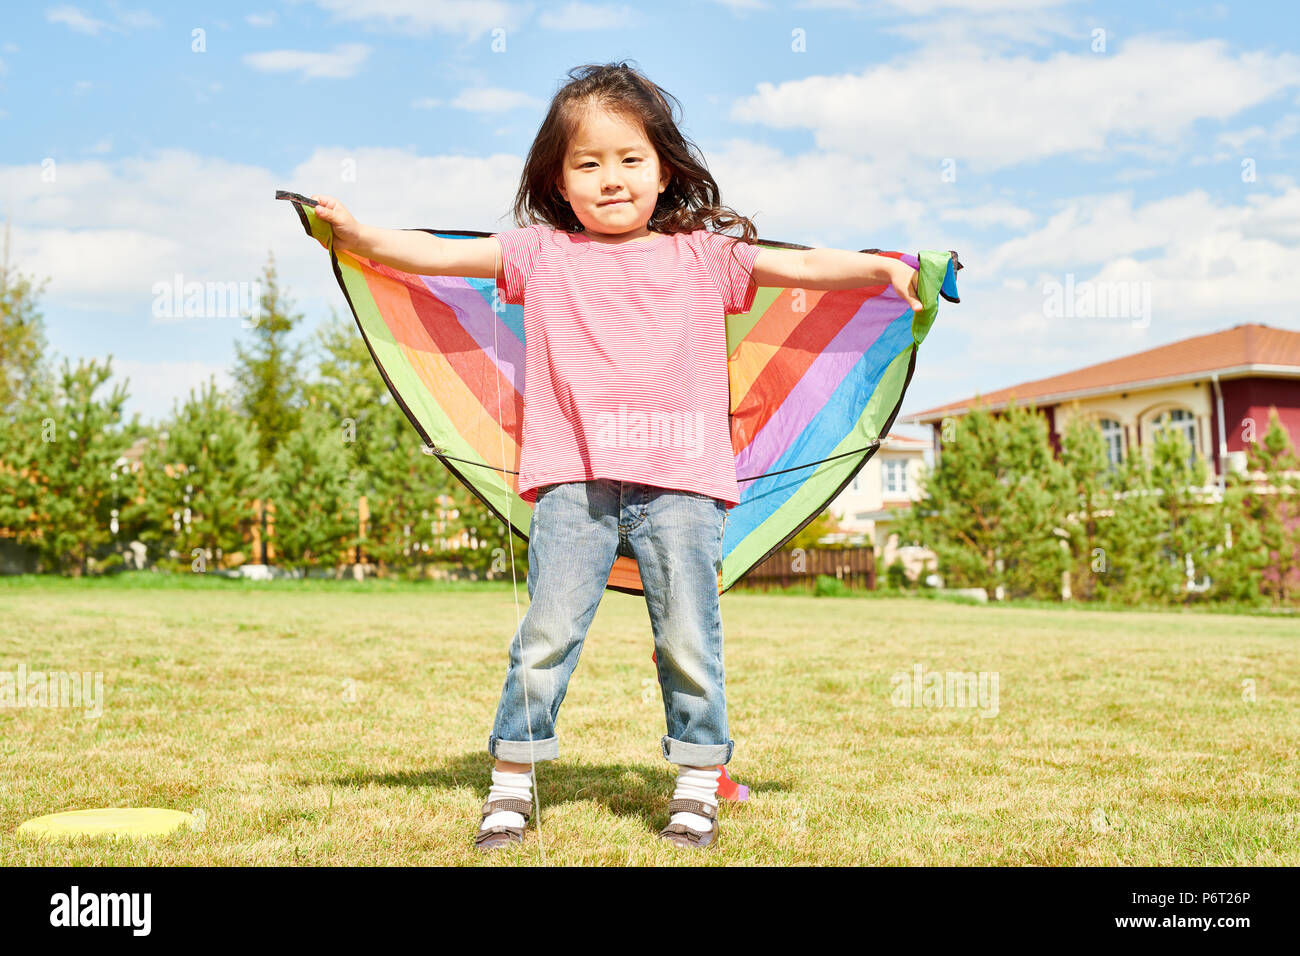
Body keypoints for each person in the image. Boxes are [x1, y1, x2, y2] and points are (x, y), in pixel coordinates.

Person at [309, 61, 922, 853]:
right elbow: (436, 256)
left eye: (630, 159)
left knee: (688, 639)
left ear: (664, 170)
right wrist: (360, 237)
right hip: (572, 482)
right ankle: (510, 785)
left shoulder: (705, 256)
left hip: (683, 487)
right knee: (546, 636)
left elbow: (803, 270)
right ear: (559, 183)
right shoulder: (541, 256)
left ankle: (698, 783)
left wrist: (882, 266)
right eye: (587, 164)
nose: (610, 179)